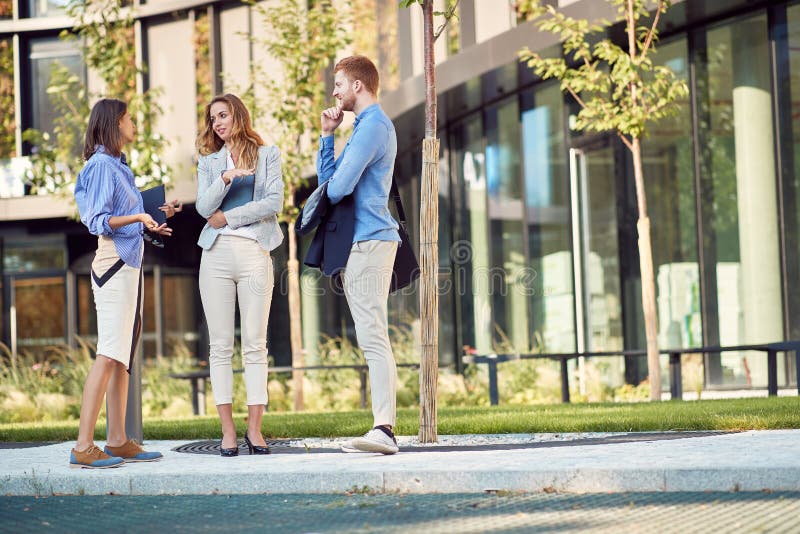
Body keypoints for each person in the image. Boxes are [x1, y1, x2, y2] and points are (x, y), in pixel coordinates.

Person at [72, 98, 179, 468]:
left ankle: (116, 439)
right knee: (108, 354)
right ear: (115, 123)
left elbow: (127, 218)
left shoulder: (119, 166)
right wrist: (137, 215)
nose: (134, 123)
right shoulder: (101, 165)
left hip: (130, 264)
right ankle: (83, 447)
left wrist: (153, 217)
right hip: (114, 265)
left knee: (122, 358)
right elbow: (97, 221)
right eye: (130, 118)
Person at [318, 56, 401, 454]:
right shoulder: (363, 128)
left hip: (370, 240)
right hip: (363, 242)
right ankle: (382, 426)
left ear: (357, 86)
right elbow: (327, 186)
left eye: (338, 84)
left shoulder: (372, 127)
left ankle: (384, 429)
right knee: (371, 334)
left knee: (373, 335)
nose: (334, 92)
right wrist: (326, 137)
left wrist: (332, 175)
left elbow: (335, 190)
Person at [195, 94, 284, 457]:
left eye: (223, 114)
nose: (217, 122)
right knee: (219, 346)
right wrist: (227, 177)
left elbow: (273, 202)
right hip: (215, 256)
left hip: (254, 253)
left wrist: (229, 216)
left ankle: (255, 430)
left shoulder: (268, 155)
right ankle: (228, 431)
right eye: (212, 118)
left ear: (238, 115)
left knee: (254, 344)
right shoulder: (209, 162)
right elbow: (203, 207)